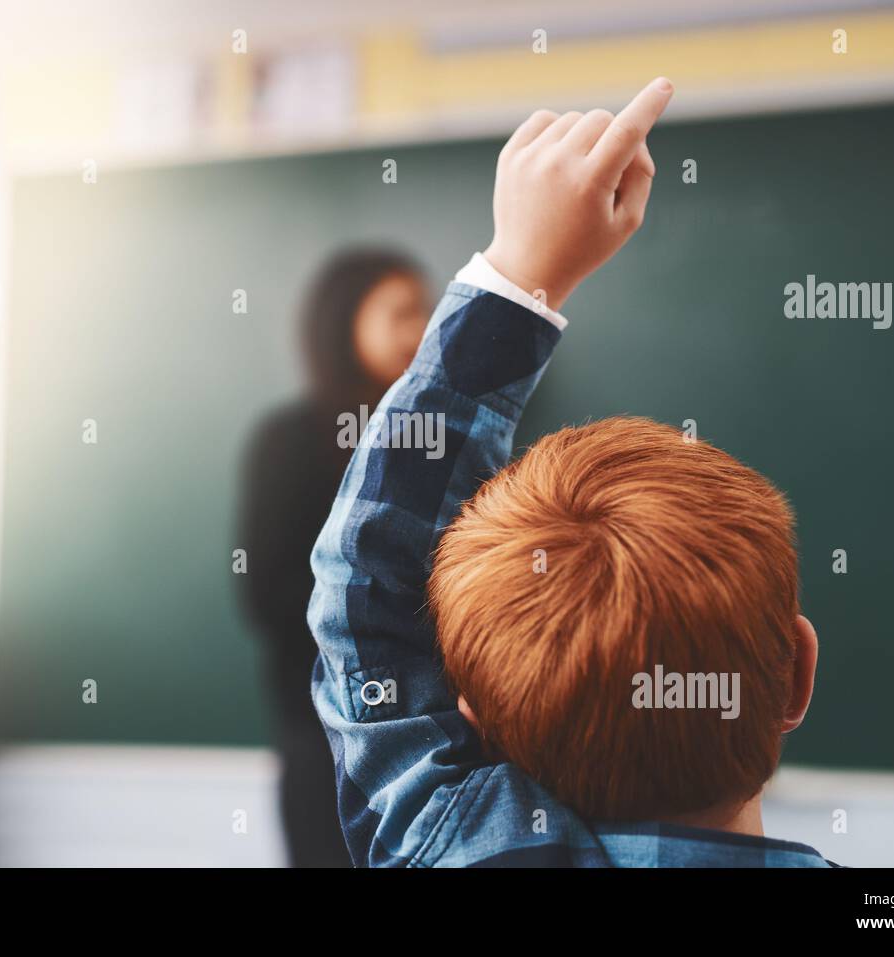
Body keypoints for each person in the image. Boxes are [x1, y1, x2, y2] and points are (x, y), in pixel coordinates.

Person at [308, 78, 838, 866]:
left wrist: (518, 273)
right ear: (796, 673)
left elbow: (366, 601)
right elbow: (371, 611)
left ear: (476, 715)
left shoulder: (457, 849)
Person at [237, 247, 430, 867]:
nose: (420, 330)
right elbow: (266, 592)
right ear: (345, 320)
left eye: (425, 311)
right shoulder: (289, 440)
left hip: (429, 731)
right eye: (400, 312)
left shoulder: (434, 440)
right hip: (321, 732)